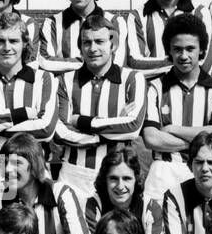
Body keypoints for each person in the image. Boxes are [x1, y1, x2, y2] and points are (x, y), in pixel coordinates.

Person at [53, 14, 147, 199]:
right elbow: (59, 131)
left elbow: (133, 127)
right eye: (86, 42)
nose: (93, 48)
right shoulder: (64, 80)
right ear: (80, 47)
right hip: (74, 172)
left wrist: (80, 121)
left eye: (99, 41)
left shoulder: (132, 78)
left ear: (113, 45)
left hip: (116, 174)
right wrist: (107, 132)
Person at [0, 11, 58, 184]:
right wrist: (23, 114)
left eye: (13, 41)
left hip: (33, 171)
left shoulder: (44, 78)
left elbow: (46, 129)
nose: (7, 48)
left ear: (24, 44)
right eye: (0, 41)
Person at [141, 12, 212, 202]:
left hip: (202, 171)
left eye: (190, 49)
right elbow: (151, 138)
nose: (184, 55)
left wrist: (172, 129)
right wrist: (204, 142)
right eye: (177, 49)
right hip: (163, 172)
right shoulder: (154, 86)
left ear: (201, 50)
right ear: (169, 51)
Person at [39, 0, 126, 74]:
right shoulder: (52, 23)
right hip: (65, 91)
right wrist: (91, 62)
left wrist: (64, 63)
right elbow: (44, 61)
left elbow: (116, 62)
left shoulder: (115, 22)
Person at [84, 145, 147, 234]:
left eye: (126, 178)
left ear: (136, 180)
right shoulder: (94, 205)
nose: (120, 186)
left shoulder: (147, 206)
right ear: (104, 180)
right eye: (113, 178)